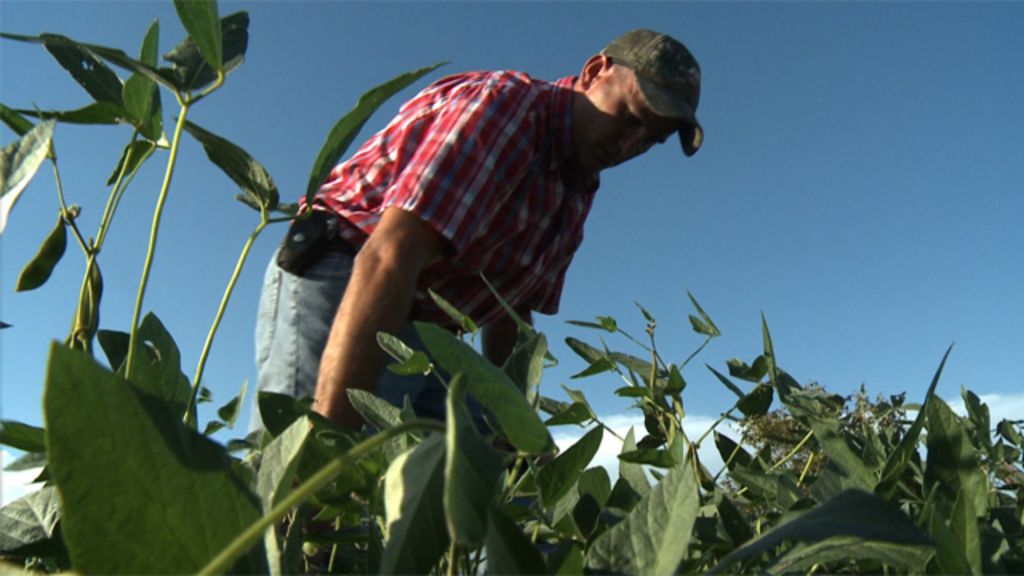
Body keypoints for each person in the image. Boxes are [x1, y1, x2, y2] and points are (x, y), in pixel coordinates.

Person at [250, 28, 704, 433]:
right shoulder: (507, 109)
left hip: (427, 329)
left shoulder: (577, 187)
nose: (629, 145)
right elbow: (391, 253)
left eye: (649, 140)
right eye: (628, 117)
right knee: (312, 484)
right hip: (347, 274)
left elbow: (510, 313)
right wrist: (330, 439)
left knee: (478, 484)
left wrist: (514, 431)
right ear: (594, 71)